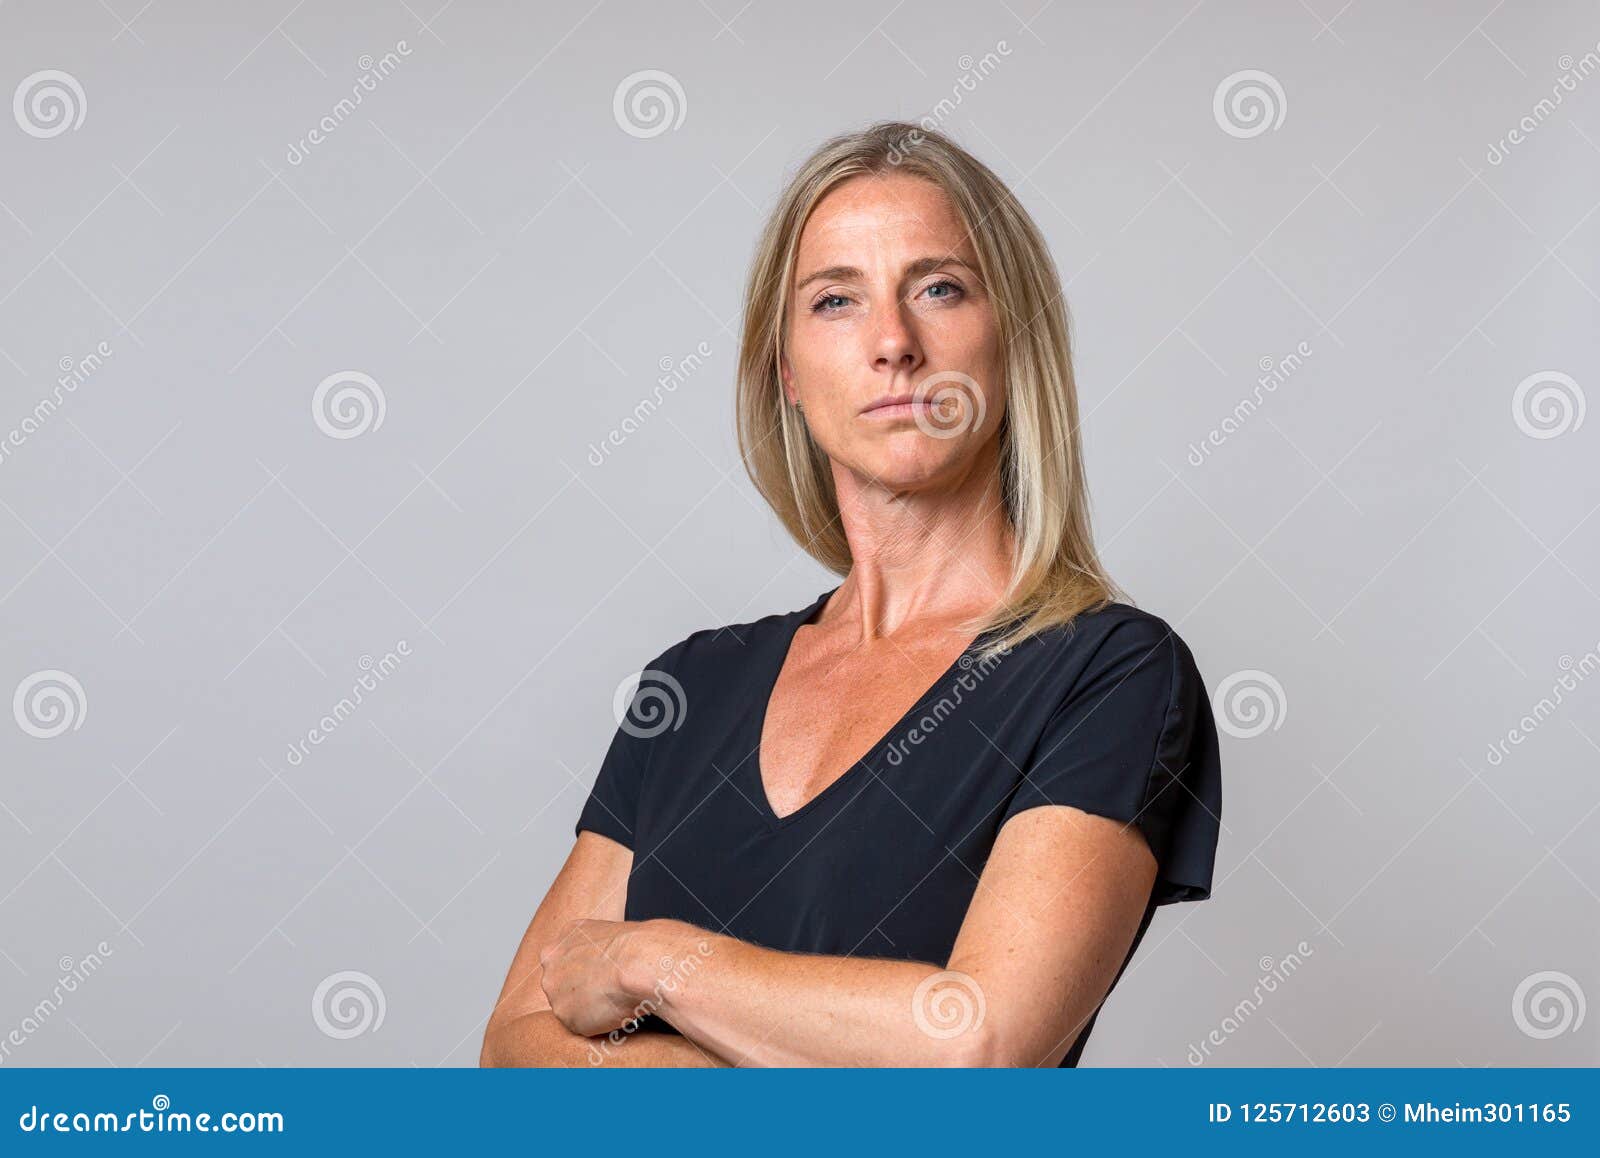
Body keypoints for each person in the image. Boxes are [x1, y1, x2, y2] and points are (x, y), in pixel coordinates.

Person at [481, 120, 1222, 1067]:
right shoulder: (691, 686)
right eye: (835, 300)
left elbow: (978, 1045)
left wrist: (655, 959)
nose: (893, 343)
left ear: (1011, 340)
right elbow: (512, 1045)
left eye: (940, 289)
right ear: (786, 369)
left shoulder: (1110, 673)